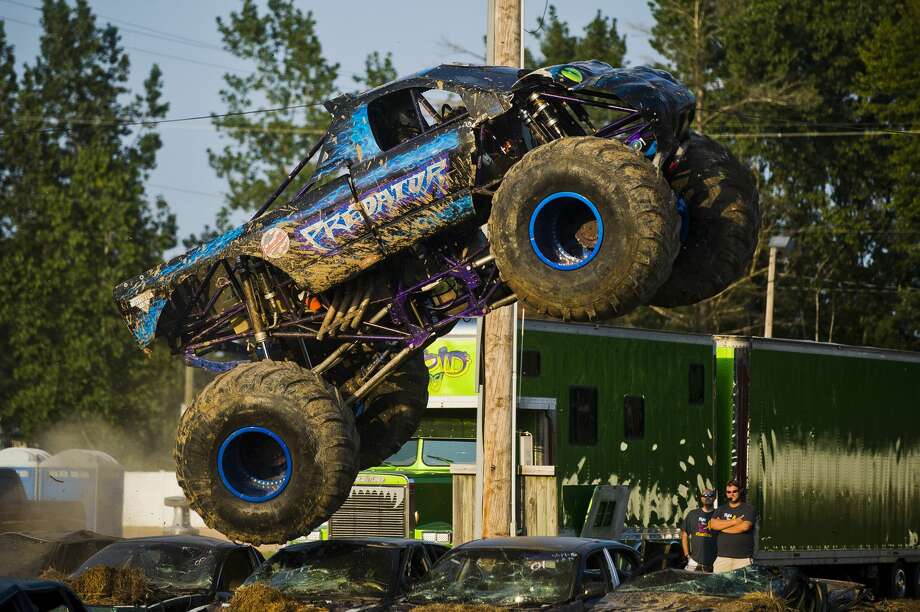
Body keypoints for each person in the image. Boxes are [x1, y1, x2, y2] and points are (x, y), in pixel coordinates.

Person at [709, 479, 757, 572]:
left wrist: (722, 527)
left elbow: (744, 527)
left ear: (740, 491)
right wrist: (735, 521)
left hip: (743, 560)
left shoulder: (749, 509)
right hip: (722, 558)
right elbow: (713, 525)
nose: (732, 494)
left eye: (735, 491)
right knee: (719, 586)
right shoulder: (721, 509)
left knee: (742, 587)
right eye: (729, 492)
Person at [681, 489, 717, 572]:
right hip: (694, 561)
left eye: (710, 495)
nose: (707, 497)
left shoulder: (719, 514)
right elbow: (684, 534)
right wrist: (687, 555)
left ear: (714, 498)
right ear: (701, 498)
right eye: (704, 495)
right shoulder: (692, 514)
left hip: (715, 562)